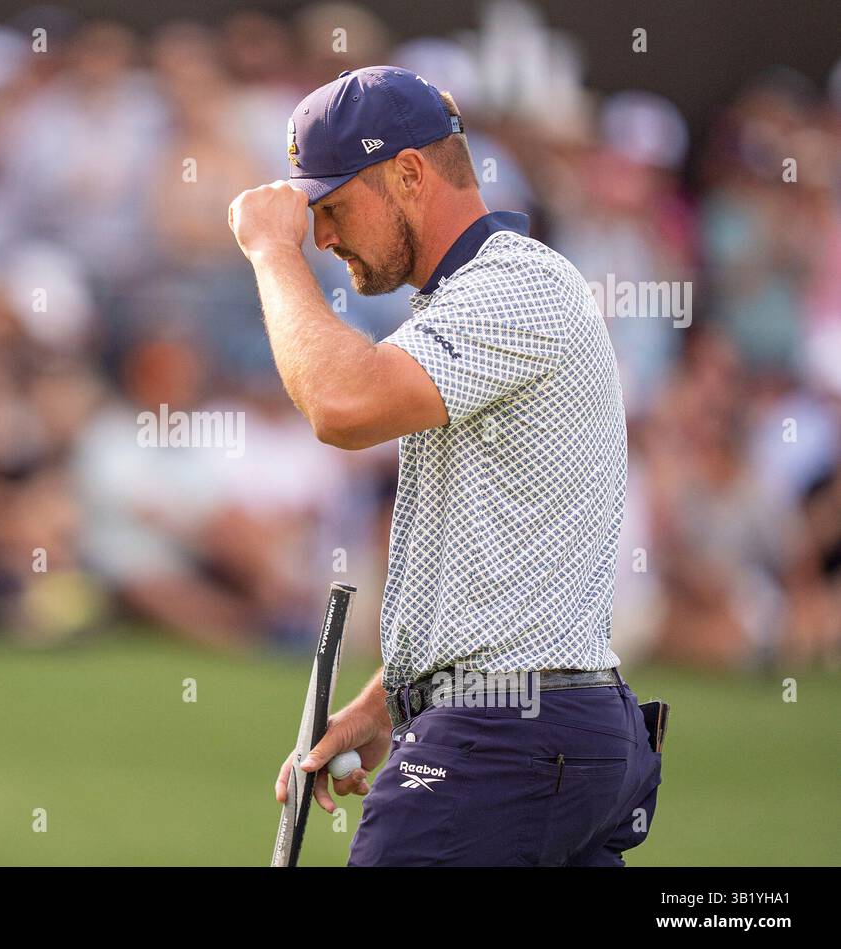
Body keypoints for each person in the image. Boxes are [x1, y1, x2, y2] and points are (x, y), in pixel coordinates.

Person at [228, 66, 663, 865]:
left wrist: (269, 252)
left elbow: (341, 406)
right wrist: (389, 698)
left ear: (408, 173)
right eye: (309, 218)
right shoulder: (474, 297)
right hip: (541, 734)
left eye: (331, 207)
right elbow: (502, 566)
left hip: (506, 743)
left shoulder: (516, 282)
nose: (321, 238)